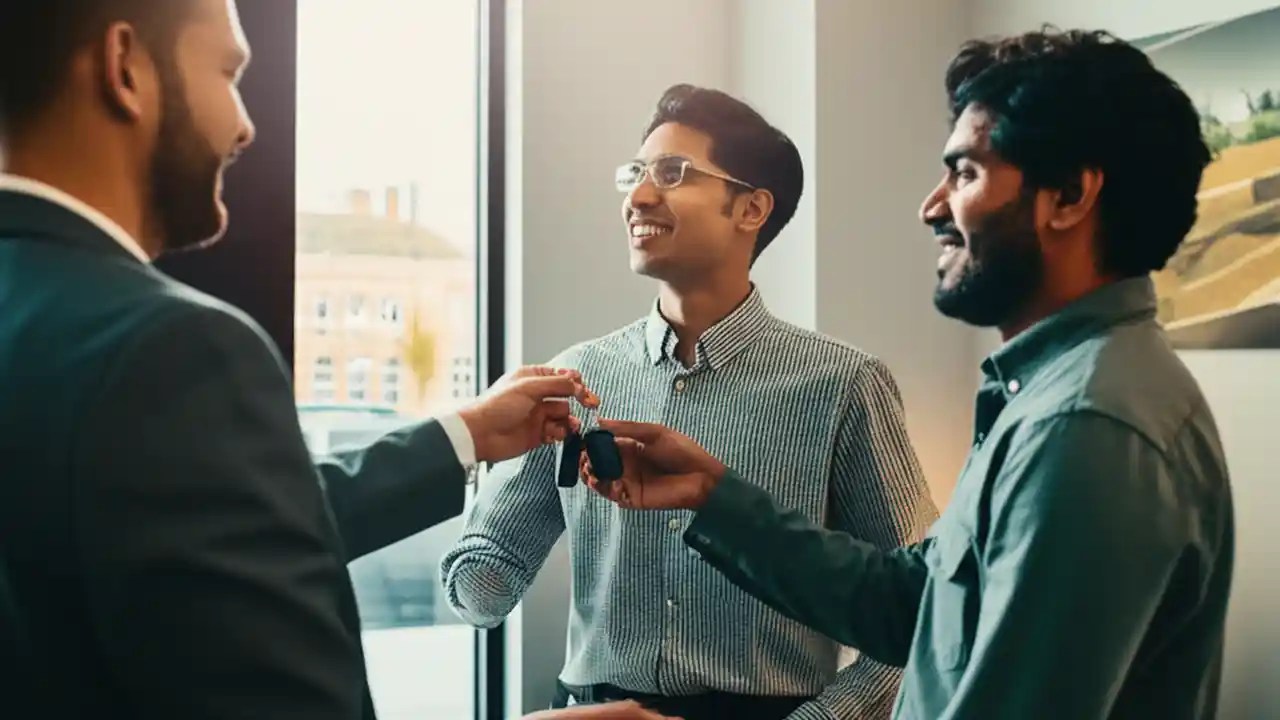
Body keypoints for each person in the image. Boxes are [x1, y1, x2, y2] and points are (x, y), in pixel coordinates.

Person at [0, 2, 665, 719]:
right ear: (124, 67)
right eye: (228, 72)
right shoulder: (173, 347)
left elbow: (206, 531)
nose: (245, 124)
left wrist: (462, 434)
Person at [582, 29, 1235, 720]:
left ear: (1069, 197)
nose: (932, 206)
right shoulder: (1055, 396)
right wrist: (712, 496)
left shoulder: (1090, 429)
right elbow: (912, 605)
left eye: (966, 173)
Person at [442, 84, 937, 720]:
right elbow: (479, 595)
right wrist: (484, 447)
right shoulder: (575, 378)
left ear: (752, 209)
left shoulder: (844, 384)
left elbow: (918, 614)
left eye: (673, 173)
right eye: (635, 173)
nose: (638, 196)